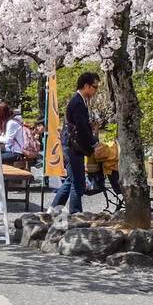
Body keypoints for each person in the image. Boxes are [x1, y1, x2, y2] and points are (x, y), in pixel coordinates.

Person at [50, 72, 101, 214]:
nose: (96, 91)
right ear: (86, 86)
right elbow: (81, 128)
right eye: (94, 87)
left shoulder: (80, 101)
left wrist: (90, 125)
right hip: (72, 147)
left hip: (73, 146)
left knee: (70, 180)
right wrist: (94, 144)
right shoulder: (78, 103)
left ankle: (53, 210)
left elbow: (81, 125)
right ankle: (75, 214)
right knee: (78, 183)